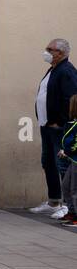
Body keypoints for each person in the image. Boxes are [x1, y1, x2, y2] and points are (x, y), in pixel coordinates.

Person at [30, 38, 77, 218]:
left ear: (61, 53)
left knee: (62, 165)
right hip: (47, 126)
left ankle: (68, 205)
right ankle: (54, 200)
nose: (47, 52)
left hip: (59, 128)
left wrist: (61, 121)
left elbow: (71, 101)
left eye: (51, 49)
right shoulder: (54, 69)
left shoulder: (67, 72)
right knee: (48, 162)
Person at [58, 96, 77, 229]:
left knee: (75, 188)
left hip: (75, 159)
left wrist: (67, 151)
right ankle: (72, 211)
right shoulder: (73, 123)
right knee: (66, 186)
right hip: (73, 160)